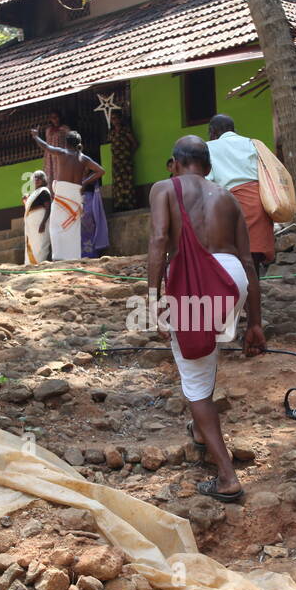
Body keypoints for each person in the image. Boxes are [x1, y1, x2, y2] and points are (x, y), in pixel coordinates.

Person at [148, 135, 265, 501]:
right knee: (202, 353)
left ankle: (227, 477)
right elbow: (249, 261)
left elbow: (159, 239)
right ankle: (201, 433)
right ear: (209, 167)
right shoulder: (228, 197)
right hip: (234, 280)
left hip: (196, 283)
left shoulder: (164, 188)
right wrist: (255, 322)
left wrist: (153, 297)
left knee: (194, 378)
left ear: (175, 163)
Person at [207, 114, 275, 273]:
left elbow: (207, 180)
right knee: (253, 262)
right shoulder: (252, 143)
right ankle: (254, 295)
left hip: (227, 206)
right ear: (233, 129)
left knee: (231, 260)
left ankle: (238, 295)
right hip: (258, 203)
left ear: (213, 132)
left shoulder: (209, 147)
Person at [30, 127, 103, 260]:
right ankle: (73, 256)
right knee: (73, 226)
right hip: (76, 193)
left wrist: (35, 136)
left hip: (63, 192)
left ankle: (59, 256)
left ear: (66, 143)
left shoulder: (62, 152)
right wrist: (85, 182)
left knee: (55, 224)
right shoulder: (84, 158)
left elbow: (45, 146)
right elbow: (100, 171)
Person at [108, 109, 138, 210]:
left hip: (125, 160)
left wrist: (129, 154)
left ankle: (129, 204)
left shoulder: (126, 130)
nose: (114, 120)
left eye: (116, 118)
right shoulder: (111, 133)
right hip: (116, 162)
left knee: (127, 181)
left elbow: (135, 143)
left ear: (120, 119)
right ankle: (119, 205)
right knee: (118, 182)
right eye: (112, 119)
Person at [24, 170, 52, 264]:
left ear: (44, 180)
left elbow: (48, 209)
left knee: (40, 245)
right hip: (31, 226)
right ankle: (30, 264)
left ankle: (40, 264)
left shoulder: (44, 192)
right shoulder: (34, 193)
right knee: (32, 245)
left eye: (39, 178)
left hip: (40, 224)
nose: (37, 179)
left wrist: (43, 223)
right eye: (35, 178)